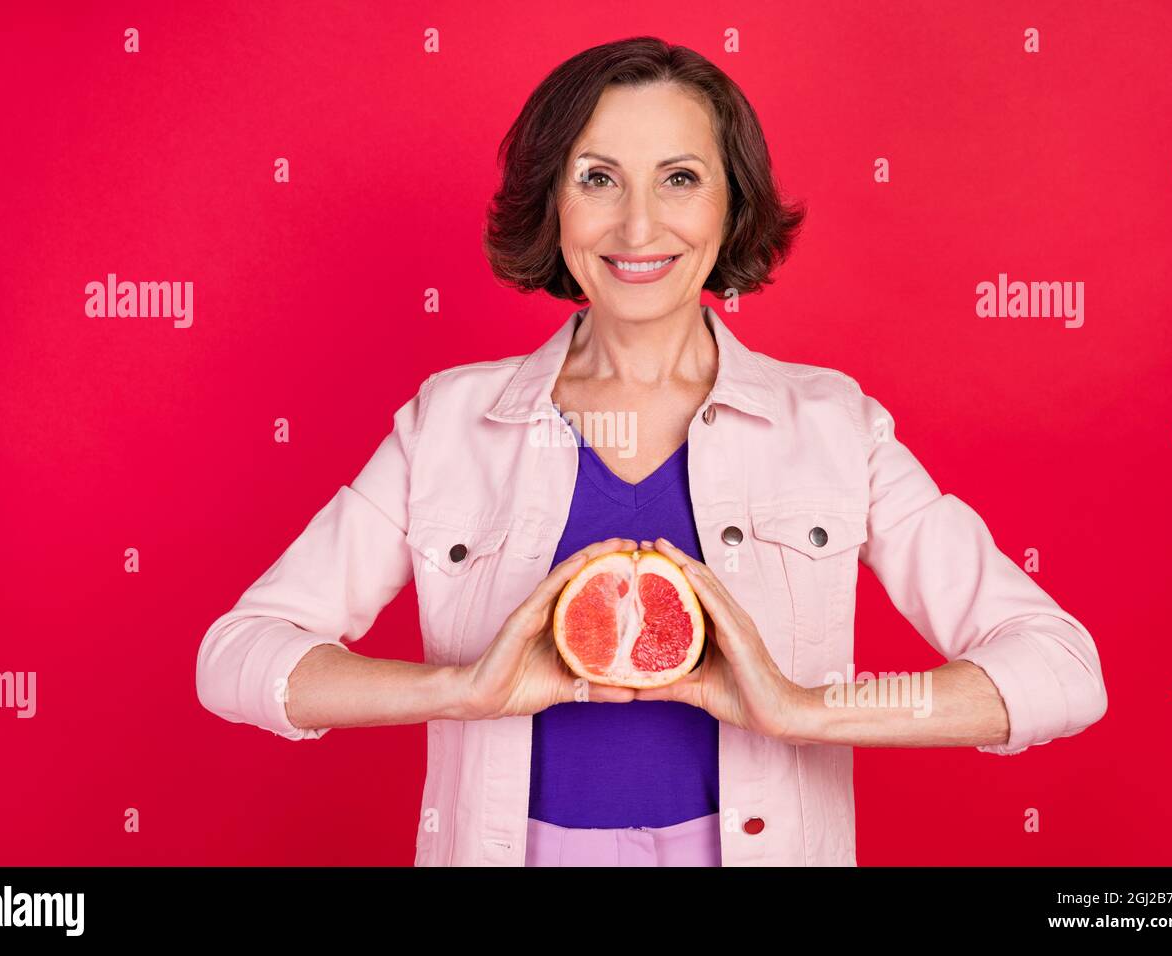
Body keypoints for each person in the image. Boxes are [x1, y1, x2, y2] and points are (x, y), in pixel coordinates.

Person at [195, 36, 1107, 867]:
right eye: (598, 178)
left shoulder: (833, 424)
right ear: (551, 199)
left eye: (679, 178)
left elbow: (1060, 668)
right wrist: (466, 689)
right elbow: (238, 656)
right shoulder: (451, 421)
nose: (638, 229)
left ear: (731, 198)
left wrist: (802, 708)